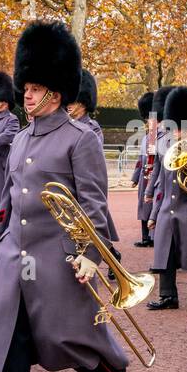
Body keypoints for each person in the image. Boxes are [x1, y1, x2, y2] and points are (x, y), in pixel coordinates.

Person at [0, 20, 130, 372]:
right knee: (8, 332)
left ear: (55, 94)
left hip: (56, 256)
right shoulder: (21, 139)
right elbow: (8, 196)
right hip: (14, 254)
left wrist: (91, 256)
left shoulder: (80, 140)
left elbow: (94, 204)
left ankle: (109, 371)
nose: (25, 93)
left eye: (35, 87)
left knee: (63, 334)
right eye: (26, 85)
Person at [145, 86, 187, 310]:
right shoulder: (166, 153)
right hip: (167, 211)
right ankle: (168, 296)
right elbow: (160, 188)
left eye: (181, 128)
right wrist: (154, 215)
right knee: (165, 255)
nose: (176, 132)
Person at [68, 68, 119, 244]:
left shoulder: (93, 128)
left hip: (86, 182)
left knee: (95, 231)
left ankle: (113, 258)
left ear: (83, 103)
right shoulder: (66, 125)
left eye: (73, 101)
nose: (69, 105)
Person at [0, 71, 21, 215]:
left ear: (6, 103)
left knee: (2, 202)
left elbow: (6, 138)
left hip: (1, 167)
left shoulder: (12, 120)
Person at [130, 90, 157, 247]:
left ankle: (154, 237)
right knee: (143, 207)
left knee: (154, 207)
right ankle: (146, 237)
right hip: (144, 177)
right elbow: (141, 160)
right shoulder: (147, 137)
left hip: (155, 176)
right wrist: (135, 178)